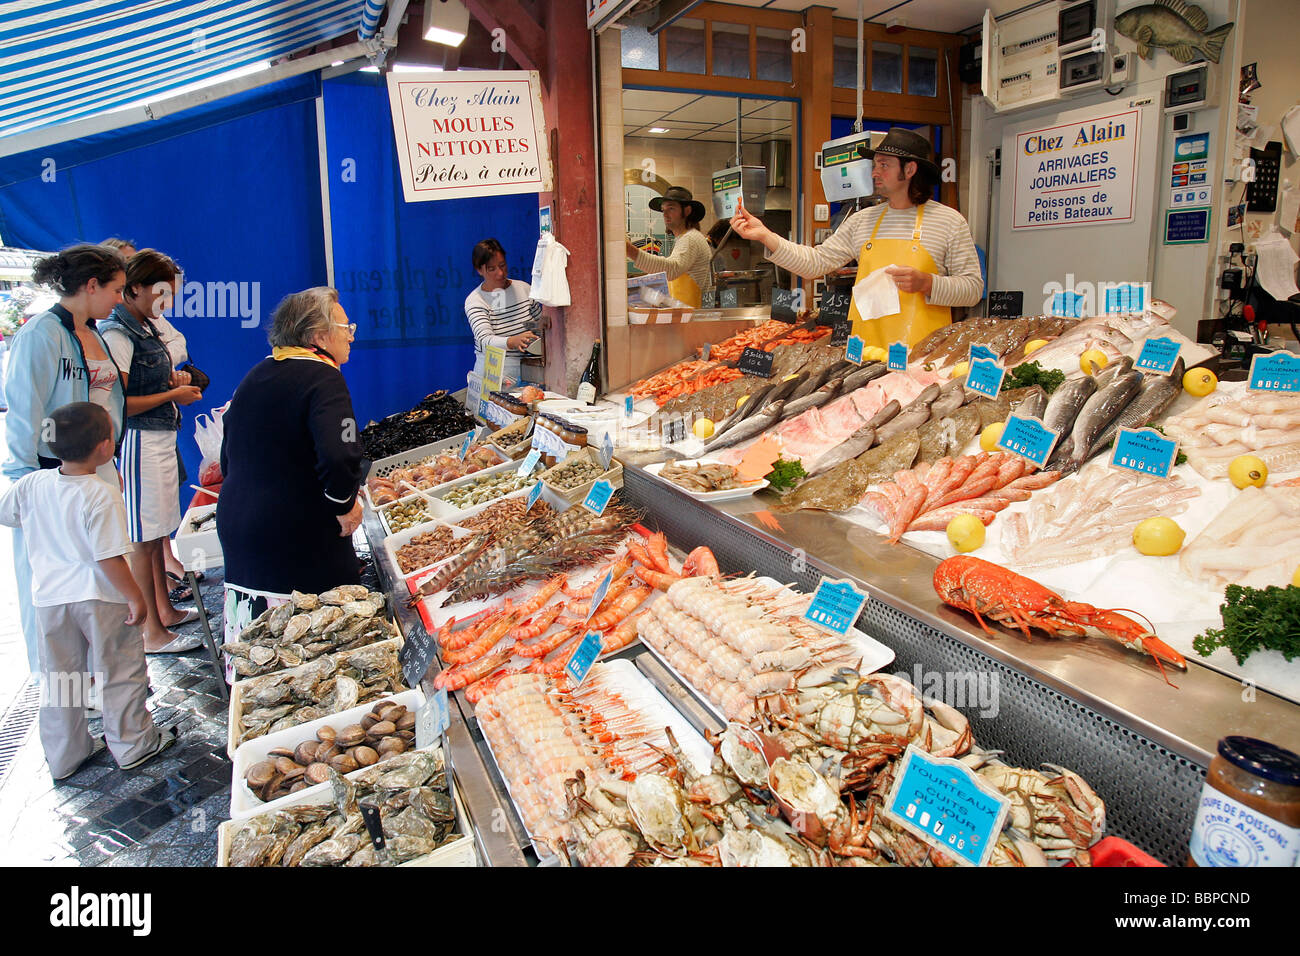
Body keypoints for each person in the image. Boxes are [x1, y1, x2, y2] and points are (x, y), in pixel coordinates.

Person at [0, 402, 175, 778]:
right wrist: (136, 597)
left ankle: (65, 754)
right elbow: (108, 558)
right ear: (106, 447)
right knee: (120, 670)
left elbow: (8, 514)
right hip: (102, 597)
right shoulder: (100, 494)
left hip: (50, 600)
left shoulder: (32, 484)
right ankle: (133, 744)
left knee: (62, 677)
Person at [729, 128, 982, 347]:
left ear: (910, 169)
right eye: (875, 166)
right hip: (865, 352)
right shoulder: (863, 220)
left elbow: (972, 289)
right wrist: (765, 235)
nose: (874, 173)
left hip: (920, 356)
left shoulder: (949, 221)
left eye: (884, 165)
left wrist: (928, 283)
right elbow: (815, 263)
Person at [216, 287, 364, 650]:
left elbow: (227, 457)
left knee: (261, 646)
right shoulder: (324, 378)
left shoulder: (258, 373)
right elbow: (339, 454)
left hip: (241, 531)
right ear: (317, 336)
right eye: (345, 327)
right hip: (294, 539)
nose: (350, 335)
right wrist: (344, 504)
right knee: (314, 645)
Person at [3, 245, 128, 673]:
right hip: (55, 482)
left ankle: (104, 677)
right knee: (59, 588)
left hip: (98, 470)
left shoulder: (93, 330)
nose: (118, 298)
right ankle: (62, 687)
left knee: (103, 575)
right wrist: (28, 485)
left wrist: (111, 468)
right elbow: (23, 413)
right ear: (91, 285)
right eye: (115, 288)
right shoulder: (40, 334)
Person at [100, 250, 204, 654]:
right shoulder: (118, 332)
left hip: (160, 437)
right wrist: (174, 393)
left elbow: (144, 385)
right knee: (143, 540)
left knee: (159, 531)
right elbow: (118, 402)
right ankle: (151, 632)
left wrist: (173, 380)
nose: (166, 303)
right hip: (140, 442)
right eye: (160, 293)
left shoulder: (146, 327)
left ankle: (166, 611)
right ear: (135, 287)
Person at [465, 238, 543, 386]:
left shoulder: (524, 289)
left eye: (502, 265)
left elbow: (541, 327)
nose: (500, 273)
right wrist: (512, 341)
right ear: (479, 270)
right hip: (492, 373)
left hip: (529, 372)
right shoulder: (475, 301)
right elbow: (485, 340)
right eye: (491, 269)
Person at [626, 186, 714, 308]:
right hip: (685, 314)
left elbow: (672, 269)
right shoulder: (684, 238)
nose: (665, 214)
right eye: (663, 210)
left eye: (671, 208)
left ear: (687, 211)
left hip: (692, 316)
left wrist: (629, 250)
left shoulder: (691, 238)